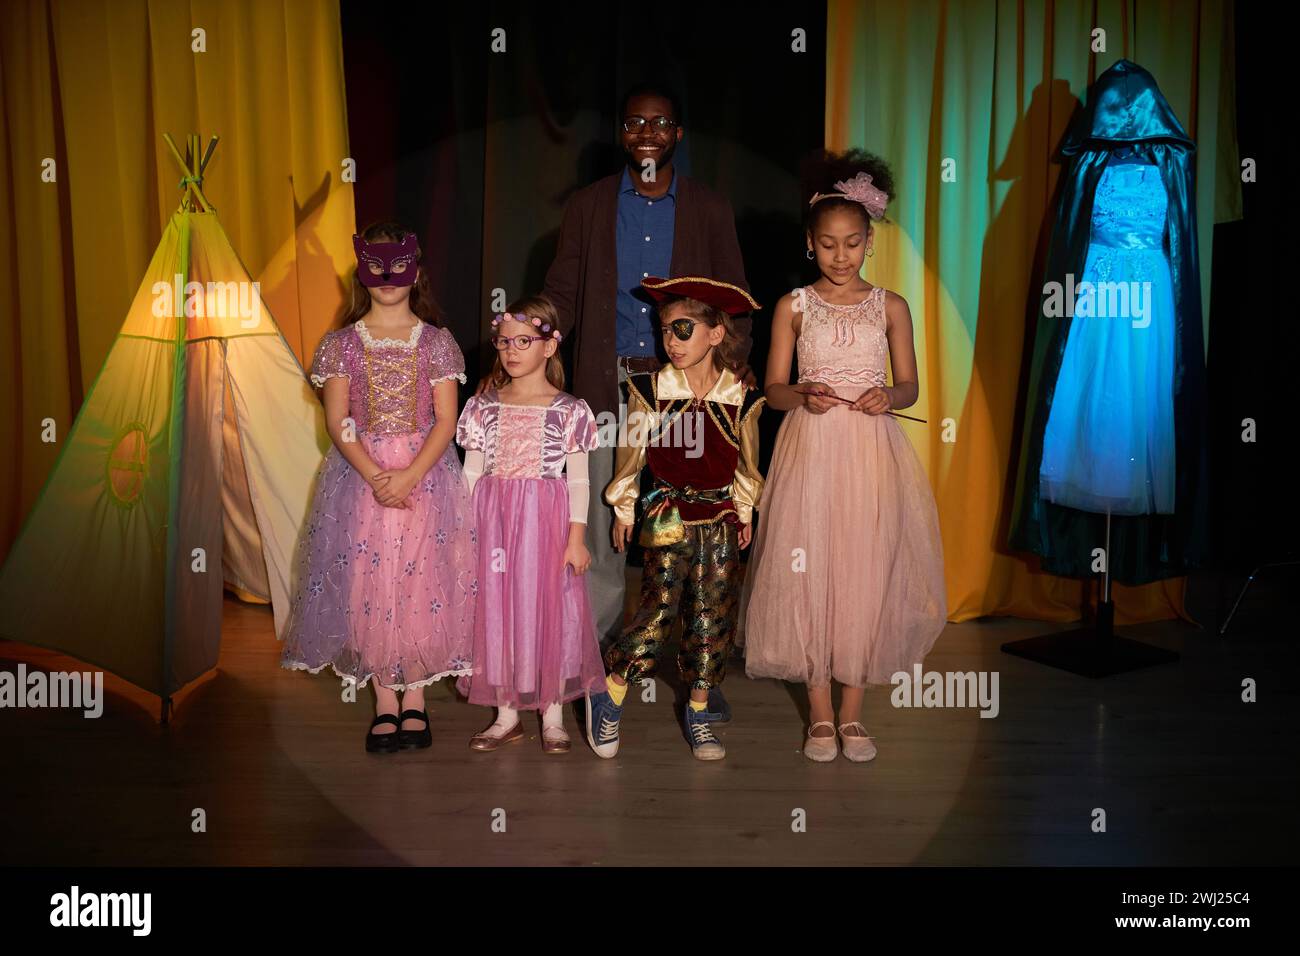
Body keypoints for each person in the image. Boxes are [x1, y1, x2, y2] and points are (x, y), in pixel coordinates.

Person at [533, 83, 753, 726]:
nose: (648, 131)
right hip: (609, 391)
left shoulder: (709, 209)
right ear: (621, 133)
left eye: (661, 122)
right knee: (605, 533)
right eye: (635, 122)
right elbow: (562, 293)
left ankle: (698, 677)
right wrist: (526, 339)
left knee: (694, 539)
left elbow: (735, 300)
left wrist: (727, 390)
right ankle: (596, 668)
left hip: (683, 398)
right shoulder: (589, 206)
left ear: (679, 134)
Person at [739, 150, 947, 762]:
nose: (840, 255)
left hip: (871, 451)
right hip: (813, 451)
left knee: (863, 574)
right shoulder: (793, 306)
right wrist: (801, 392)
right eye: (828, 244)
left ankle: (853, 716)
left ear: (870, 242)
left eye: (852, 243)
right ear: (810, 243)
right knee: (812, 573)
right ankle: (820, 716)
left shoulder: (891, 306)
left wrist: (892, 394)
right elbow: (772, 391)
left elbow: (910, 385)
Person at [281, 221, 477, 754]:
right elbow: (338, 419)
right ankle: (384, 703)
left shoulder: (436, 343)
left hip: (424, 476)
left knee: (420, 579)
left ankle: (414, 698)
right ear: (361, 274)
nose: (388, 278)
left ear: (416, 274)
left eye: (398, 267)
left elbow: (445, 420)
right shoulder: (342, 345)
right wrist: (374, 475)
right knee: (372, 581)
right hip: (362, 477)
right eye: (377, 267)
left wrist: (410, 475)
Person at [584, 276, 765, 761]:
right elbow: (631, 454)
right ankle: (611, 691)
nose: (671, 341)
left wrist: (744, 510)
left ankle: (699, 712)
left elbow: (748, 466)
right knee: (658, 612)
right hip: (669, 517)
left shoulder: (741, 399)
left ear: (715, 334)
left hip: (721, 520)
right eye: (665, 330)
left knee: (713, 616)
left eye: (683, 330)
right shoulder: (651, 390)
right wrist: (624, 507)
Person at [455, 295, 606, 754]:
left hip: (546, 524)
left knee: (549, 610)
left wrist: (576, 538)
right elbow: (471, 472)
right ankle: (506, 714)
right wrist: (462, 529)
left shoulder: (569, 410)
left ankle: (553, 713)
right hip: (494, 520)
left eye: (524, 341)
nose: (512, 350)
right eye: (504, 342)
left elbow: (578, 481)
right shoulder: (483, 407)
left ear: (549, 346)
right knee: (498, 609)